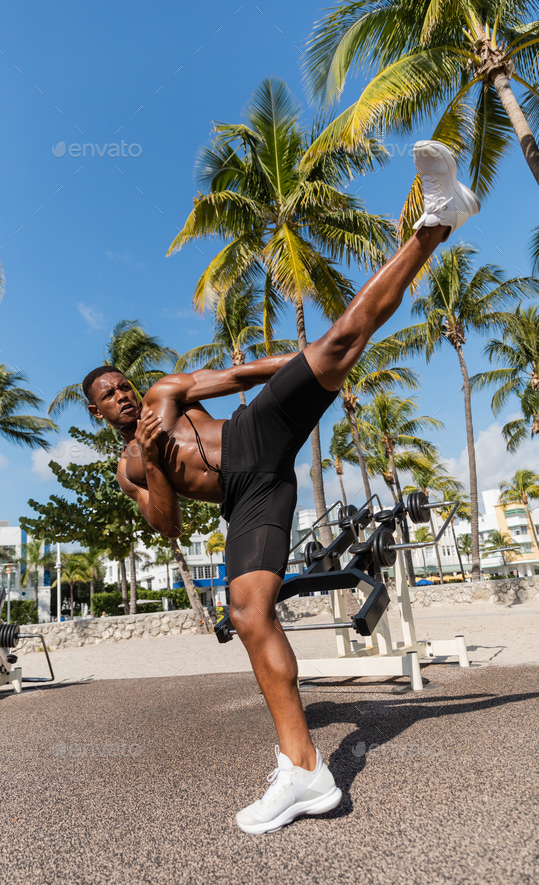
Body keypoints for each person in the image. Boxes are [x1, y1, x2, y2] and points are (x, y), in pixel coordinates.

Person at [82, 142, 479, 834]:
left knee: (340, 341)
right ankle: (305, 771)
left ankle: (439, 220)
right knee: (247, 612)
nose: (121, 394)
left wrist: (310, 363)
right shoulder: (128, 469)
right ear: (97, 413)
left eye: (122, 384)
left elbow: (240, 377)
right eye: (108, 395)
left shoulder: (168, 391)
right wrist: (153, 461)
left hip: (254, 435)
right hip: (248, 501)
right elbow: (169, 527)